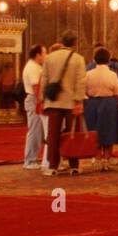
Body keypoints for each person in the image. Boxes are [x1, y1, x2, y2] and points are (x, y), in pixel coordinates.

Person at [41, 30, 87, 177]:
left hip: (53, 101)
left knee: (53, 134)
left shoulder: (50, 57)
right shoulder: (78, 58)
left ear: (61, 42)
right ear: (75, 43)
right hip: (71, 102)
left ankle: (52, 165)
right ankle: (74, 166)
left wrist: (43, 99)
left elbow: (44, 79)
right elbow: (81, 81)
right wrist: (79, 101)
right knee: (73, 133)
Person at [84, 48, 118, 171]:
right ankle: (107, 159)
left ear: (94, 60)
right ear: (108, 60)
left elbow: (84, 90)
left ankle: (97, 158)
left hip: (92, 103)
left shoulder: (88, 74)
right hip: (109, 103)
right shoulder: (112, 74)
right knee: (109, 130)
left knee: (94, 130)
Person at [20, 44, 47, 169]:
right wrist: (41, 102)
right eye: (44, 53)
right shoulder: (33, 68)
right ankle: (30, 160)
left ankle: (33, 158)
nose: (46, 56)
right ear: (38, 55)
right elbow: (37, 87)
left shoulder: (35, 66)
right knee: (35, 131)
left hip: (35, 99)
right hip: (34, 99)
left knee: (39, 131)